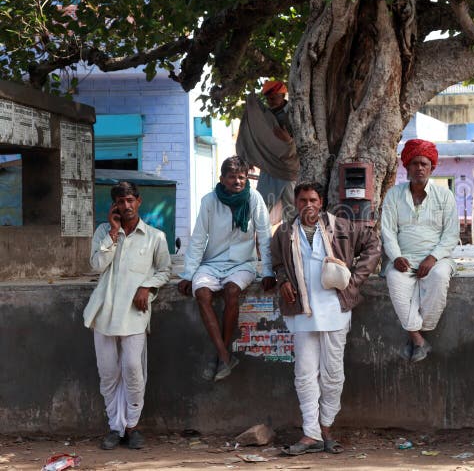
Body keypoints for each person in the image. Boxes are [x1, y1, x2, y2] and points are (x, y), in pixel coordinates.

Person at [272, 182, 381, 456]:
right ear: (295, 203)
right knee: (304, 374)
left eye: (313, 200)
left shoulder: (341, 226)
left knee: (333, 375)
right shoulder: (285, 232)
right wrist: (283, 279)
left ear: (321, 203)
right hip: (301, 311)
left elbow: (373, 245)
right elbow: (276, 261)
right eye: (302, 200)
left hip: (335, 309)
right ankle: (310, 434)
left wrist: (354, 281)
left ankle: (327, 428)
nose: (308, 205)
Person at [83, 182, 171, 450]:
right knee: (108, 372)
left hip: (134, 314)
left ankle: (132, 426)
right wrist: (113, 231)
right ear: (114, 205)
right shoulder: (103, 232)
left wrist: (147, 286)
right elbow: (96, 265)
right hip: (103, 312)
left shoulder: (155, 236)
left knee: (133, 368)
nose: (126, 206)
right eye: (121, 202)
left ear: (139, 201)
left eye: (130, 200)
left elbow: (165, 270)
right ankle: (114, 427)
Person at [179, 156, 274, 382]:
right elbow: (199, 239)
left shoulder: (254, 198)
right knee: (201, 293)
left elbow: (265, 236)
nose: (237, 181)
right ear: (222, 179)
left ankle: (220, 355)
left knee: (232, 291)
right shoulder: (209, 201)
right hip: (212, 263)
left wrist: (268, 271)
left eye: (241, 177)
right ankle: (224, 355)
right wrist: (189, 274)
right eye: (232, 177)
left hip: (243, 264)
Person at [381, 139, 460, 362]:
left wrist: (433, 258)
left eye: (424, 163)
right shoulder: (394, 195)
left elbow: (451, 234)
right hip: (403, 258)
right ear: (406, 167)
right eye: (414, 163)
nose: (419, 168)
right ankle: (417, 339)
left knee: (439, 276)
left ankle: (418, 333)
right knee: (395, 280)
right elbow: (388, 232)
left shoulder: (445, 196)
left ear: (432, 167)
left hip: (438, 257)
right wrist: (396, 257)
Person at [236, 80, 299, 224]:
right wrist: (248, 158)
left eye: (274, 97)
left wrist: (288, 141)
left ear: (283, 95)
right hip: (270, 168)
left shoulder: (296, 113)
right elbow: (253, 136)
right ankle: (252, 242)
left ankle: (293, 243)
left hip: (291, 170)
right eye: (268, 99)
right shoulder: (263, 116)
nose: (270, 101)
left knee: (293, 212)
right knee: (259, 208)